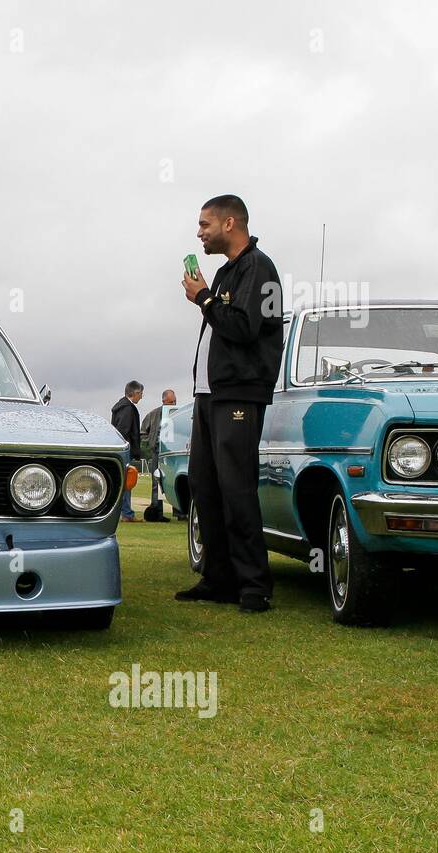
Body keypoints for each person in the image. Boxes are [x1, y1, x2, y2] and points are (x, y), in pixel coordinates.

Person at [178, 194, 284, 613]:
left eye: (205, 224)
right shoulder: (226, 272)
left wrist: (204, 298)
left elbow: (243, 327)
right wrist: (208, 295)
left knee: (237, 487)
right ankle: (219, 578)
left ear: (229, 223)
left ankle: (254, 586)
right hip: (210, 394)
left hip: (239, 392)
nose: (199, 233)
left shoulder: (259, 267)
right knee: (206, 487)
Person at [140, 389, 179, 522]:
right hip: (158, 453)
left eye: (174, 401)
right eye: (170, 402)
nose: (173, 404)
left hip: (174, 454)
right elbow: (143, 432)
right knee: (157, 483)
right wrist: (152, 444)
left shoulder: (178, 413)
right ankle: (157, 512)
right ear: (163, 401)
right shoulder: (153, 414)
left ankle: (179, 512)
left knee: (175, 482)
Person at [110, 380, 143, 522]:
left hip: (119, 448)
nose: (141, 397)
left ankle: (125, 512)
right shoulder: (128, 409)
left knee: (121, 482)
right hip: (125, 449)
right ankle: (127, 514)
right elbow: (124, 430)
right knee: (127, 482)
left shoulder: (119, 406)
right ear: (135, 393)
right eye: (140, 394)